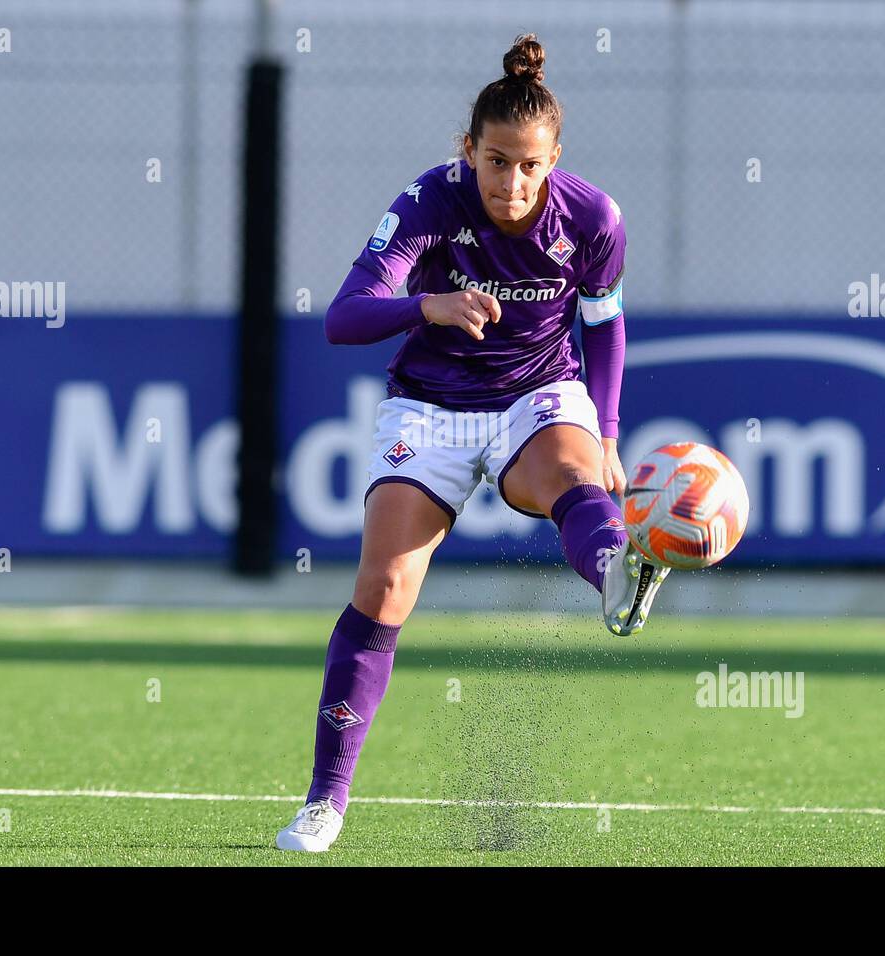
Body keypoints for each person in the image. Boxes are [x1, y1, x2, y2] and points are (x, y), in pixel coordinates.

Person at [276, 33, 668, 853]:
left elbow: (605, 325)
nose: (512, 183)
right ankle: (325, 801)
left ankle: (614, 570)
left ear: (555, 158)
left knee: (569, 474)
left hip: (538, 392)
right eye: (496, 162)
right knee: (383, 587)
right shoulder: (427, 204)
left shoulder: (592, 218)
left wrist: (606, 433)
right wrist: (430, 306)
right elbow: (343, 318)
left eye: (530, 166)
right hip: (431, 404)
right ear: (470, 152)